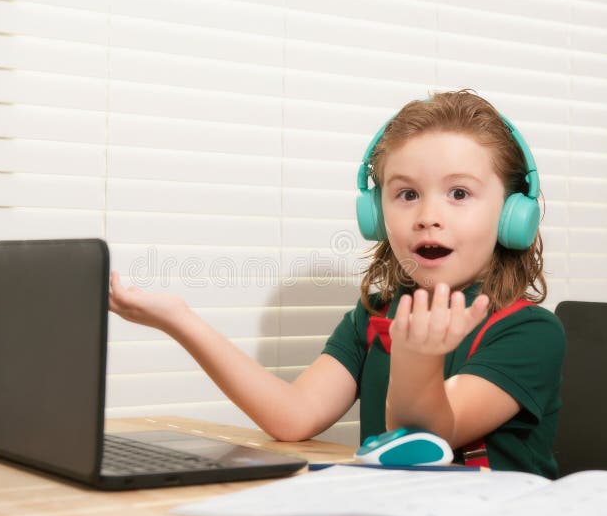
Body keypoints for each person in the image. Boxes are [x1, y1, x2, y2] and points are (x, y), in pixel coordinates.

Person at [109, 90, 565, 478]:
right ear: (375, 215)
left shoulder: (528, 333)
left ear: (513, 215)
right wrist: (179, 321)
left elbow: (428, 438)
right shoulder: (376, 314)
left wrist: (414, 358)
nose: (428, 216)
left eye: (459, 194)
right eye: (406, 194)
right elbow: (293, 417)